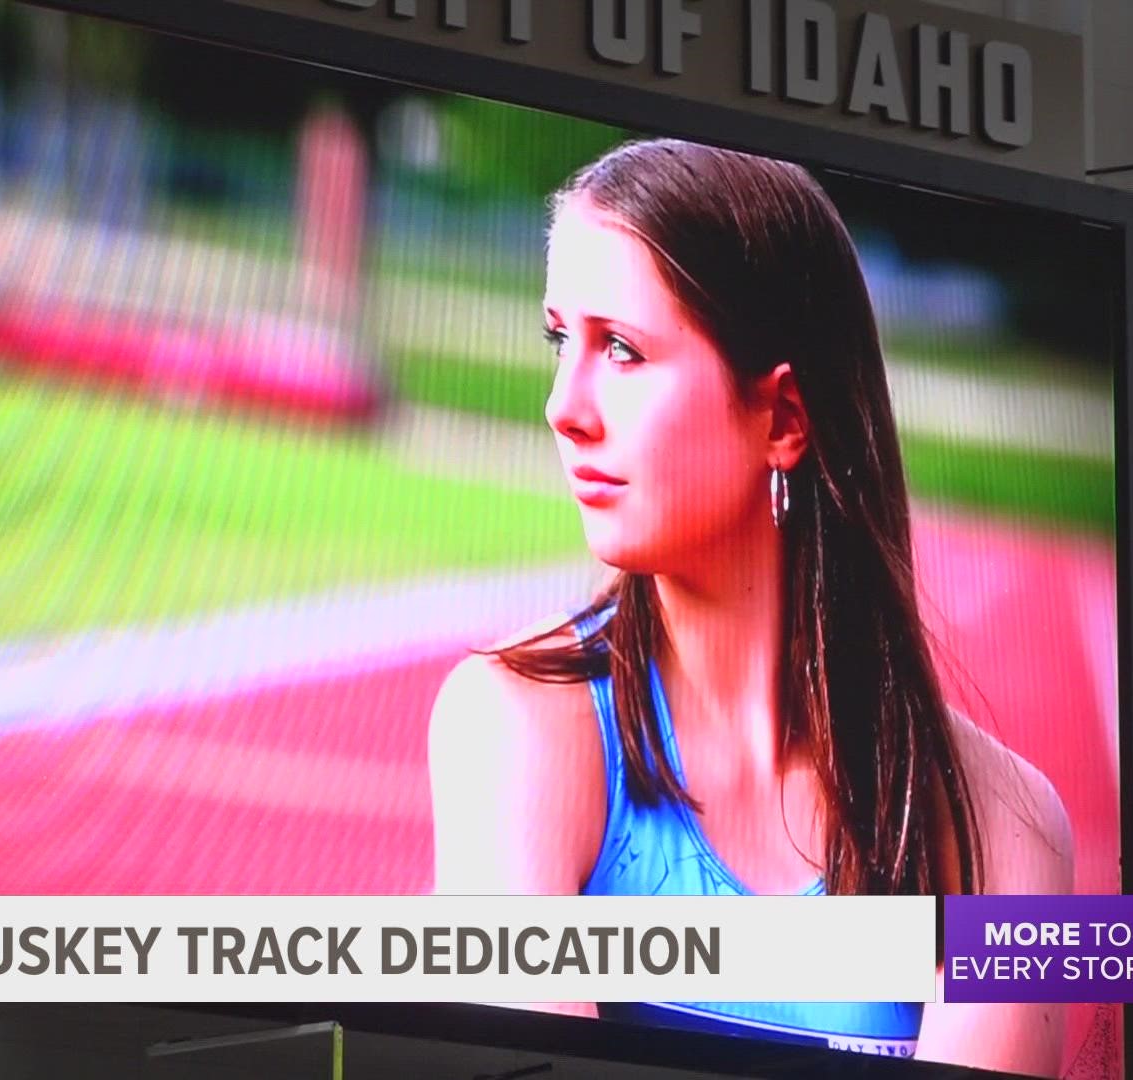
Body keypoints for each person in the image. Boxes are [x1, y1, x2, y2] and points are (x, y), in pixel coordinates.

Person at [426, 139, 1075, 1077]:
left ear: (782, 419)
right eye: (560, 339)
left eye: (622, 349)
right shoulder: (516, 725)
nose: (563, 405)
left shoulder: (1005, 824)